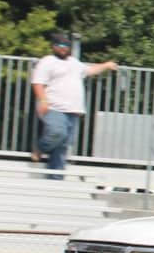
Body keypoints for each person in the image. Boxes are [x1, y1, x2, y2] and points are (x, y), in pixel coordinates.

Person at [31, 33, 117, 177]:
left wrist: (106, 65)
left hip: (73, 111)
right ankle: (40, 148)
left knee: (63, 146)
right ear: (53, 46)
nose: (63, 48)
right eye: (60, 45)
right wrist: (43, 101)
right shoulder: (48, 61)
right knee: (57, 133)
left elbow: (90, 70)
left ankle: (55, 180)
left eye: (66, 45)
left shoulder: (75, 62)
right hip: (54, 108)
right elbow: (37, 82)